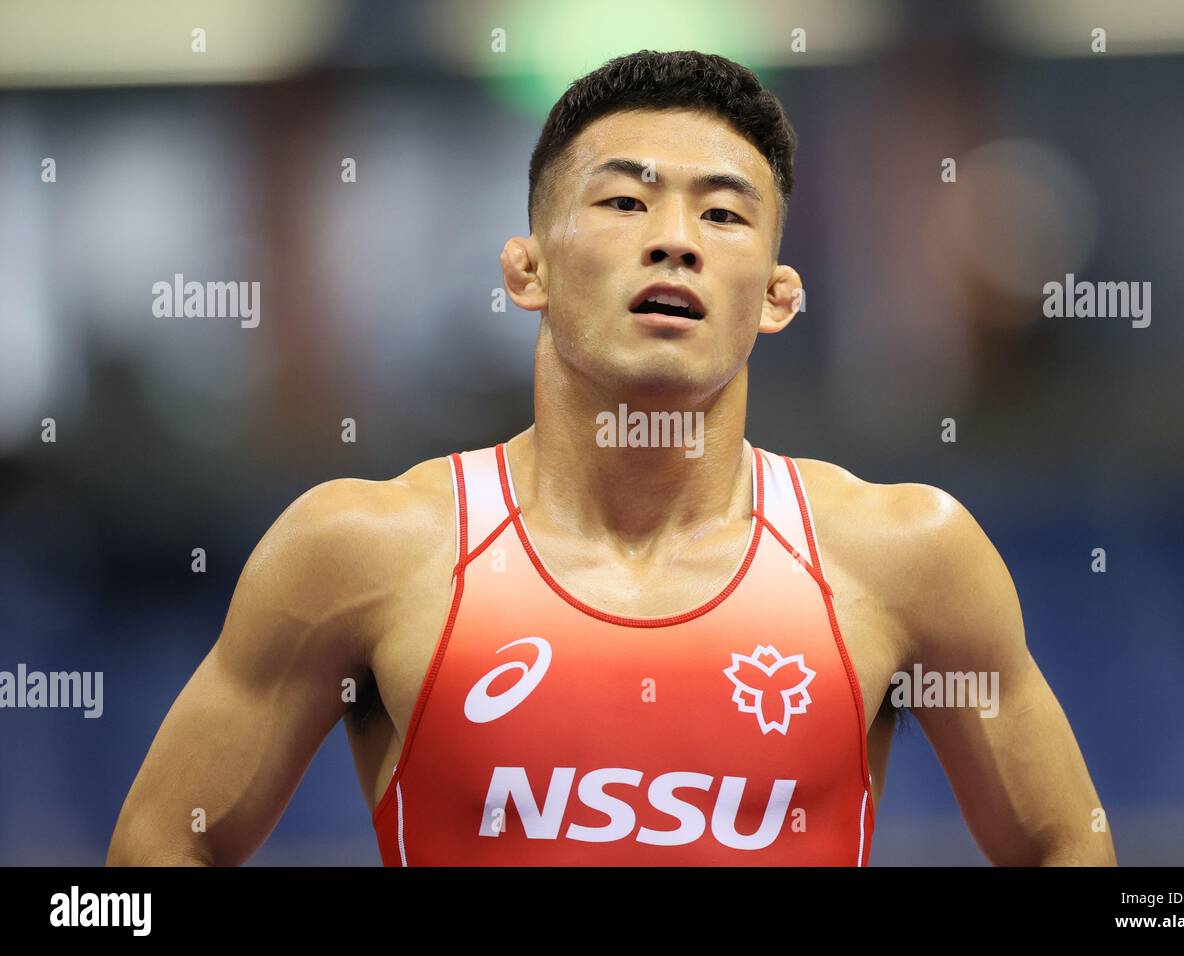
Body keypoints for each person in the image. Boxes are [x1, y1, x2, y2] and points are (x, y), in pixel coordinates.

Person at [107, 49, 1115, 866]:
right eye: (626, 203)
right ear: (527, 270)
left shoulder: (907, 556)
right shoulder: (360, 551)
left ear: (777, 295)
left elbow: (1068, 846)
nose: (675, 241)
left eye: (723, 214)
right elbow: (151, 856)